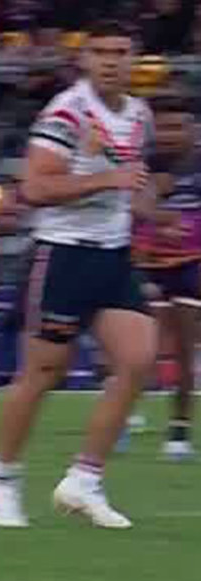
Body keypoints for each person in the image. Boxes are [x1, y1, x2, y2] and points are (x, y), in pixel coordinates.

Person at [0, 21, 155, 529]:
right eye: (100, 52)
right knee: (43, 372)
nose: (111, 61)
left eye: (120, 52)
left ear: (133, 57)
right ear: (85, 58)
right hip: (64, 253)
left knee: (138, 360)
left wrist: (141, 201)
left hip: (112, 254)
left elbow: (129, 181)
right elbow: (34, 186)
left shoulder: (138, 114)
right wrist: (109, 179)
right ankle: (0, 478)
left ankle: (84, 481)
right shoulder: (67, 112)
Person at [133, 96, 201, 461]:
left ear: (194, 130)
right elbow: (139, 206)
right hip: (151, 262)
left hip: (192, 265)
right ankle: (130, 413)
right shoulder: (149, 164)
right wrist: (163, 220)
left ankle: (179, 430)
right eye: (162, 127)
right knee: (142, 347)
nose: (169, 135)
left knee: (186, 348)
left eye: (177, 127)